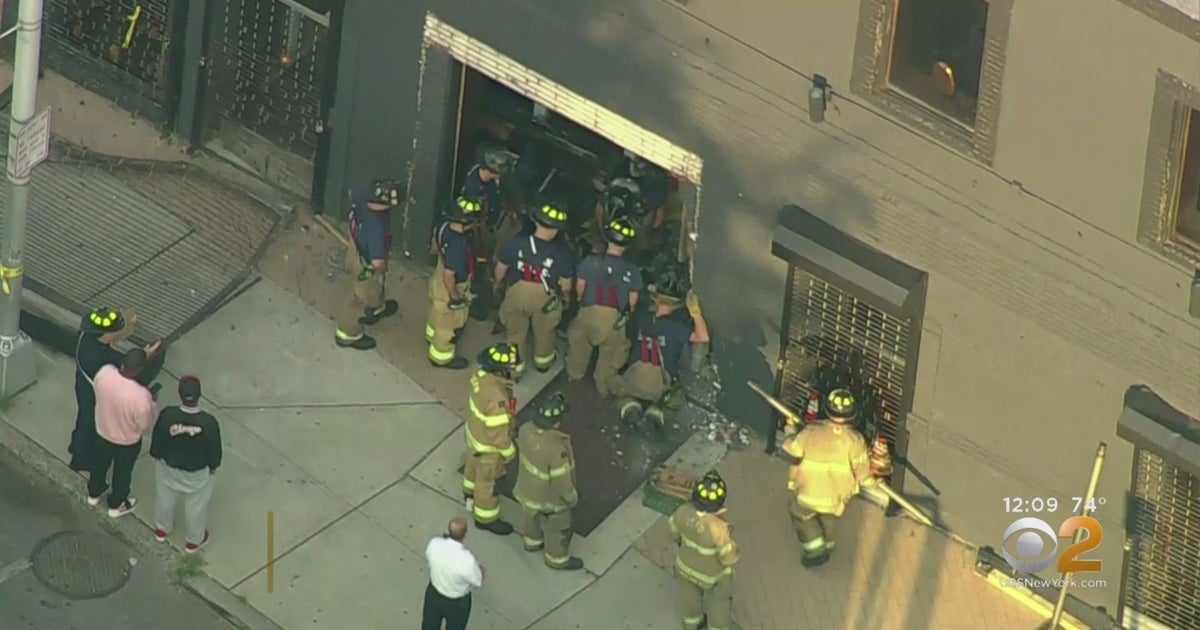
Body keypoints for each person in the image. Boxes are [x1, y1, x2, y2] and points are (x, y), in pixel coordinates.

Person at [779, 388, 879, 567]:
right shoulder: (855, 440)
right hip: (836, 498)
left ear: (827, 409)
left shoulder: (811, 431)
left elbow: (791, 449)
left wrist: (790, 429)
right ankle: (828, 544)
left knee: (801, 515)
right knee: (829, 518)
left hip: (808, 493)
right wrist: (874, 483)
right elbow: (863, 474)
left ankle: (816, 551)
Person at [612, 270, 705, 440]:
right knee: (676, 399)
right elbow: (702, 337)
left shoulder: (642, 319)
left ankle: (631, 409)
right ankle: (654, 416)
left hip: (633, 378)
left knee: (620, 392)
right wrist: (696, 313)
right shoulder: (676, 327)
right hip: (658, 386)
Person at [70, 307, 162, 472]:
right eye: (115, 331)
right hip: (92, 394)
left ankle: (76, 447)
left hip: (83, 386)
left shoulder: (87, 335)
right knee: (88, 423)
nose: (117, 334)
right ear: (105, 335)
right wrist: (144, 355)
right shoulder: (97, 358)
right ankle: (80, 459)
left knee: (84, 420)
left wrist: (127, 326)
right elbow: (121, 364)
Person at [493, 203, 575, 379]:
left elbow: (500, 268)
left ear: (536, 222)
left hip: (516, 294)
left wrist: (498, 285)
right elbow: (566, 284)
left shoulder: (516, 242)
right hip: (546, 299)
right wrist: (565, 299)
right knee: (545, 331)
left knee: (515, 333)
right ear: (556, 230)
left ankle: (515, 370)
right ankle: (543, 363)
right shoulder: (563, 253)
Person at [565, 218, 642, 396]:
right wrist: (627, 314)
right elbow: (633, 300)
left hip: (588, 311)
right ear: (627, 246)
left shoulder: (590, 261)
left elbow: (580, 286)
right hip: (614, 319)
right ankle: (603, 388)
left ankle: (574, 379)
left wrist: (580, 300)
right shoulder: (632, 270)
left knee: (579, 347)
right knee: (611, 355)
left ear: (607, 239)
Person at [150, 376, 221, 554]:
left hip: (169, 467)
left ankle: (162, 529)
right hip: (197, 473)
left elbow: (157, 440)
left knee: (164, 498)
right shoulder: (209, 423)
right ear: (199, 395)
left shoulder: (168, 415)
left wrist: (157, 455)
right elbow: (215, 450)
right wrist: (213, 466)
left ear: (179, 394)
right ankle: (193, 541)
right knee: (196, 506)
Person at [514, 393, 584, 571]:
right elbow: (562, 484)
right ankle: (556, 559)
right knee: (558, 529)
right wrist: (572, 498)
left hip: (527, 492)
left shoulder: (525, 430)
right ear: (556, 422)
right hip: (550, 501)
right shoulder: (556, 450)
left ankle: (532, 543)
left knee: (531, 520)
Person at [334, 179, 405, 350]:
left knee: (374, 287)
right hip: (366, 264)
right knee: (360, 297)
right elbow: (377, 263)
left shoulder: (361, 192)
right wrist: (380, 269)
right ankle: (347, 334)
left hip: (357, 247)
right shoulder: (377, 228)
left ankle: (375, 309)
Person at [87, 349, 157, 518]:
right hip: (127, 442)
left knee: (99, 465)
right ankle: (115, 505)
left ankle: (94, 494)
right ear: (140, 369)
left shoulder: (104, 373)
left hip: (103, 432)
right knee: (122, 473)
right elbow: (145, 424)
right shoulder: (141, 397)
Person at [669, 470, 739, 630]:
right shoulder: (718, 528)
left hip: (685, 566)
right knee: (719, 602)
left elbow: (673, 533)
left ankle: (692, 625)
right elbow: (728, 557)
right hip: (712, 577)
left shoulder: (682, 512)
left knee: (689, 599)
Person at [462, 343, 520, 535]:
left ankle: (469, 493)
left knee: (472, 466)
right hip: (489, 448)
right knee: (488, 484)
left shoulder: (480, 376)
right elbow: (498, 432)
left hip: (475, 436)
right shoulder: (497, 397)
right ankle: (485, 518)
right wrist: (509, 451)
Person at [425, 196, 484, 370]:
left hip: (439, 272)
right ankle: (441, 356)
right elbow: (450, 276)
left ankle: (431, 335)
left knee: (437, 309)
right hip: (451, 285)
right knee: (448, 323)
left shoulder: (443, 224)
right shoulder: (459, 245)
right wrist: (455, 298)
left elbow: (434, 246)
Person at [422, 517, 484, 630]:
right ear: (465, 533)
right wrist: (481, 571)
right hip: (457, 603)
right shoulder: (467, 560)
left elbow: (428, 556)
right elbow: (477, 581)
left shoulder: (434, 544)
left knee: (429, 625)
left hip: (434, 594)